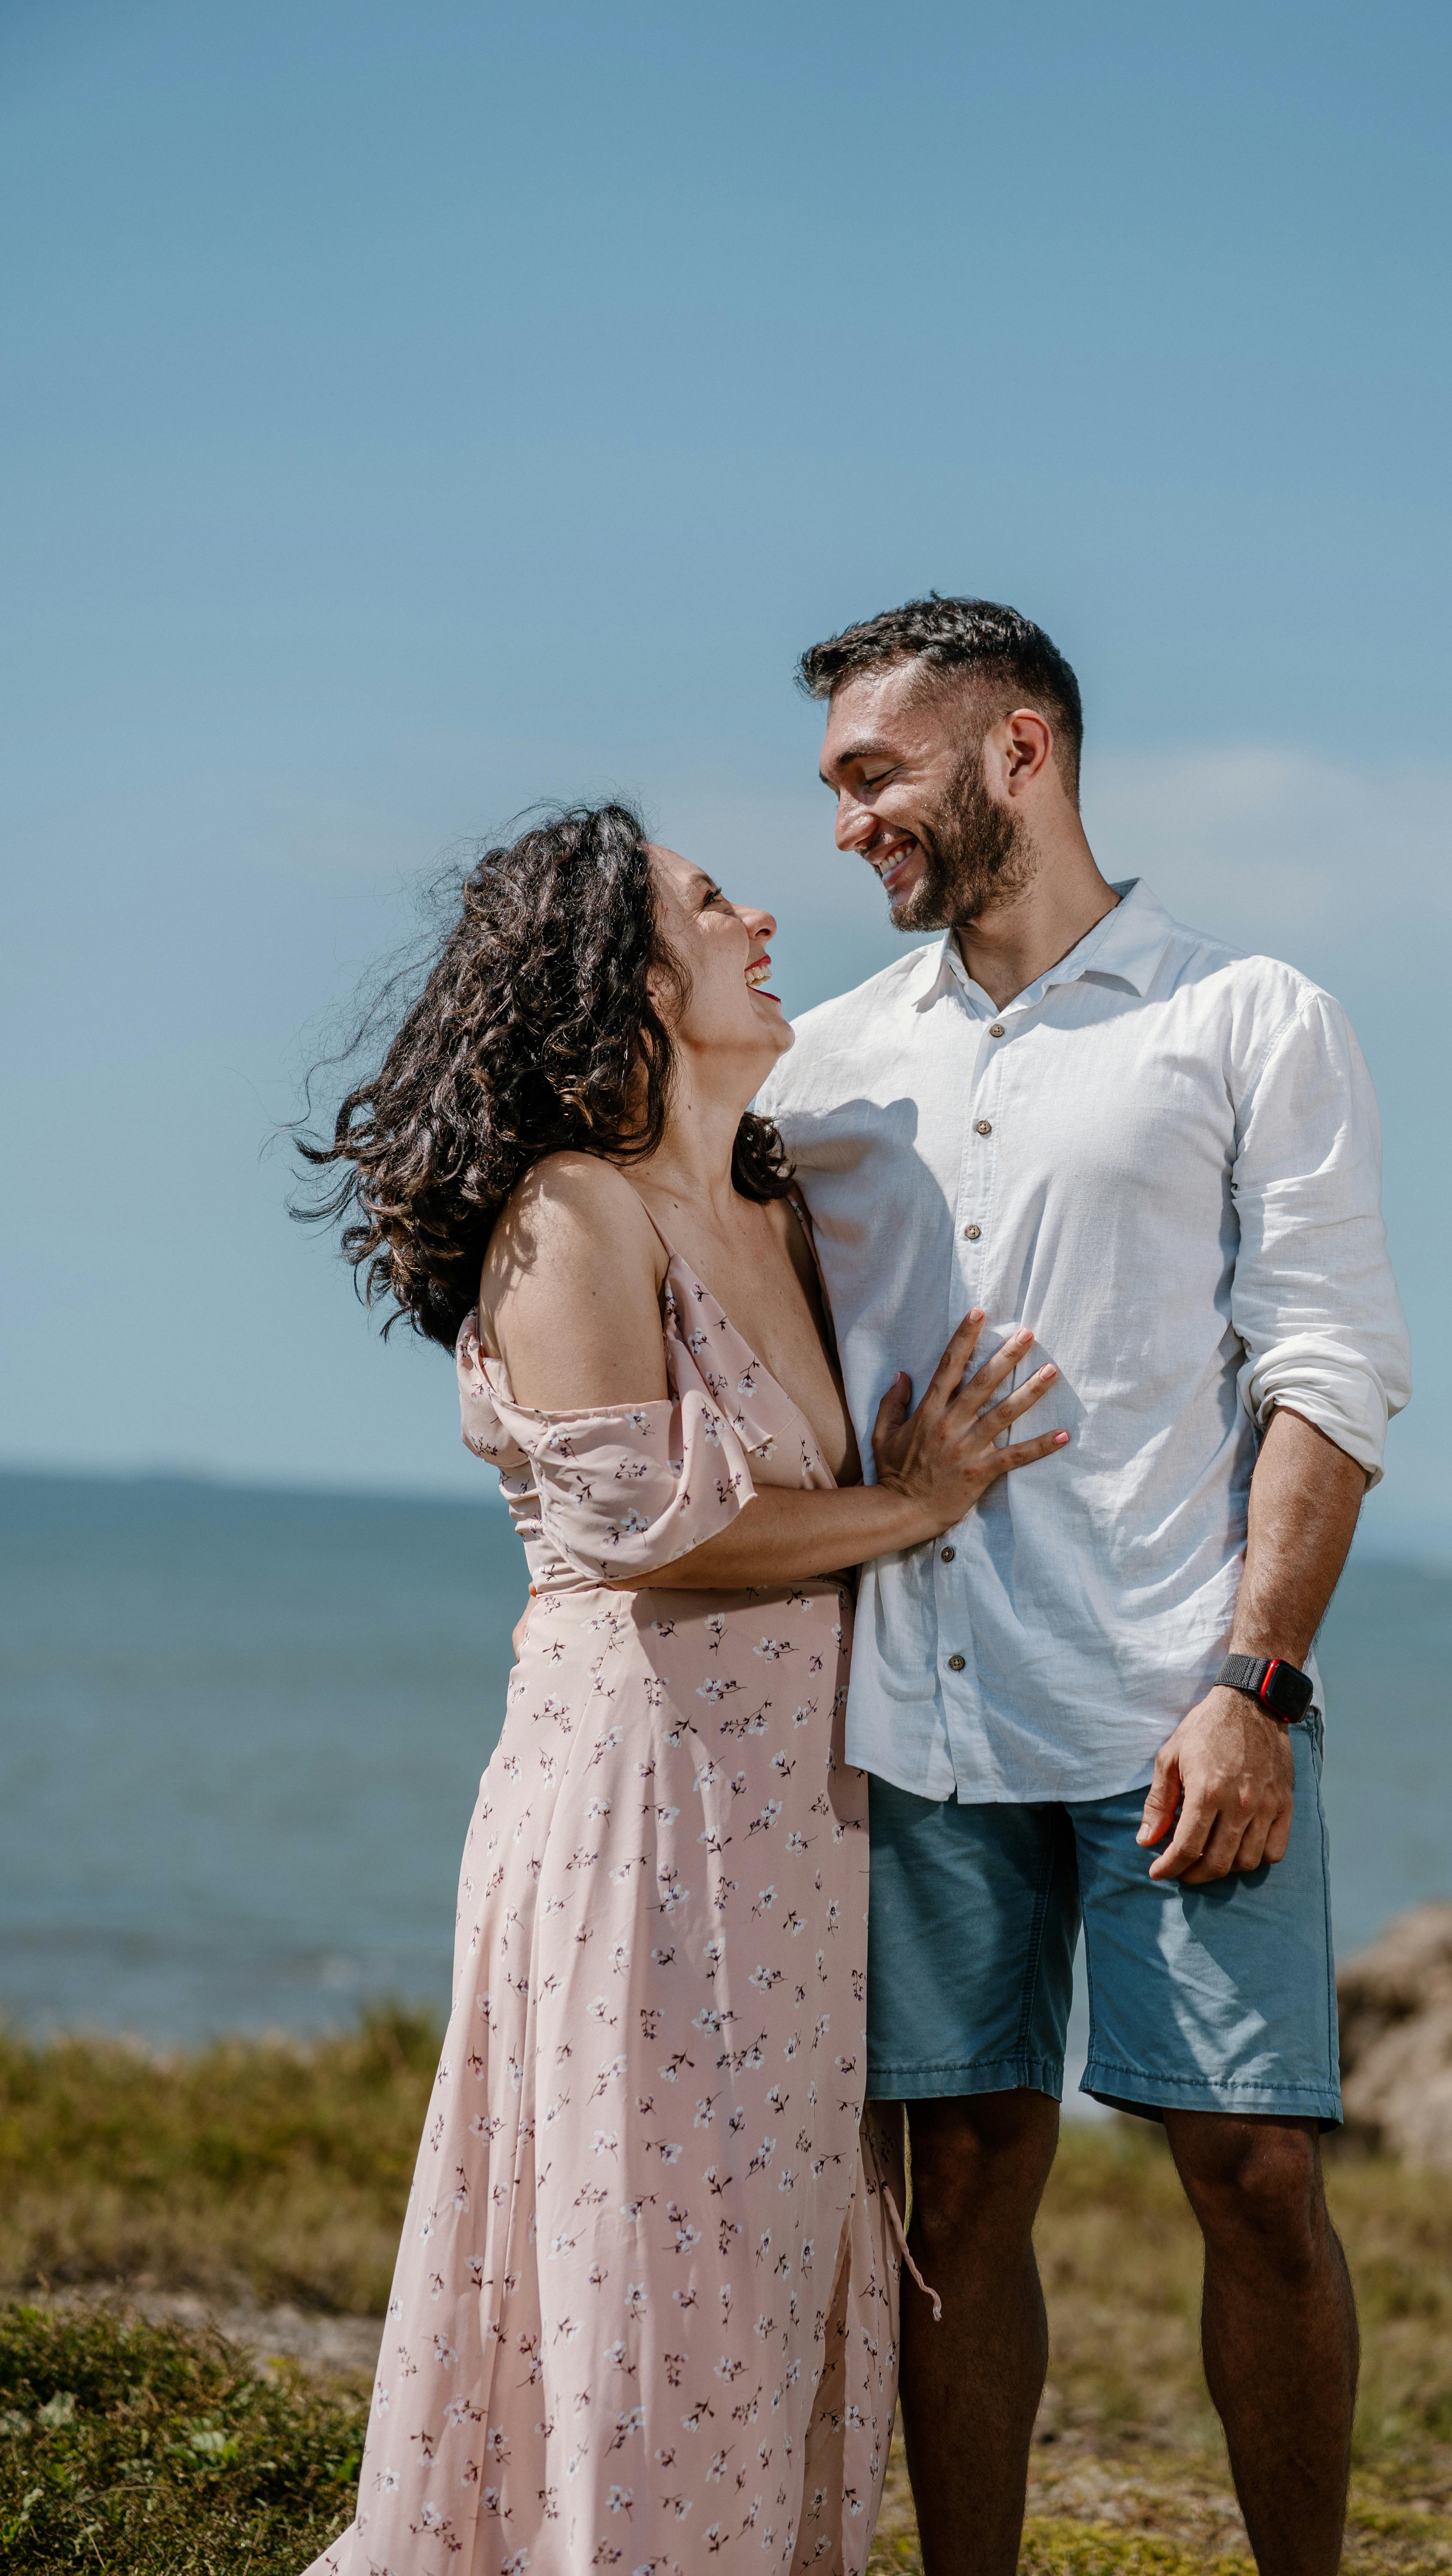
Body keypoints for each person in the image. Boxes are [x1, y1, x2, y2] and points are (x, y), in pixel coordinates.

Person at [293, 802, 1065, 2576]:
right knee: (647, 2259)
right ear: (619, 976)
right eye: (710, 905)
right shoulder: (577, 1207)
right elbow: (638, 1524)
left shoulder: (766, 1204)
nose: (760, 916)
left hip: (793, 1819)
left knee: (762, 2260)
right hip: (640, 1809)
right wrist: (922, 1502)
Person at [755, 598, 1412, 2576]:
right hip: (917, 1710)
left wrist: (1252, 1681)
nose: (849, 824)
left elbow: (1330, 1367)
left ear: (1016, 752)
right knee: (953, 2182)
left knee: (1253, 2172)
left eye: (876, 774)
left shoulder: (1246, 1014)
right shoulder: (823, 1062)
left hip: (1166, 1707)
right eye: (833, 788)